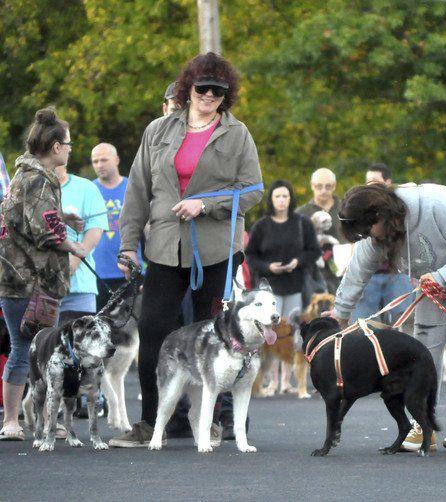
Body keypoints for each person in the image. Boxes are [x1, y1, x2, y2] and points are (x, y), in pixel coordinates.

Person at [110, 52, 263, 447]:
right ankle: (151, 422)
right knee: (155, 330)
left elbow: (252, 190)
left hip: (214, 250)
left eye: (219, 89)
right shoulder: (158, 129)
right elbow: (138, 192)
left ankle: (208, 421)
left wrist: (207, 203)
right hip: (162, 246)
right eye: (203, 87)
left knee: (214, 334)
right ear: (188, 88)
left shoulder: (238, 133)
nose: (210, 94)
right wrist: (128, 245)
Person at [330, 183, 446, 452]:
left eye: (368, 230)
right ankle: (424, 423)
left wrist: (442, 277)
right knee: (423, 348)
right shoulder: (377, 235)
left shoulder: (437, 204)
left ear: (381, 215)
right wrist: (340, 315)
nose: (369, 237)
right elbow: (357, 272)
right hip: (435, 281)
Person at [0, 108, 87, 441]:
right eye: (67, 143)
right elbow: (44, 232)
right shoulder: (40, 180)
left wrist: (62, 216)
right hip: (31, 283)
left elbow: (28, 218)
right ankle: (16, 420)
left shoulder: (27, 175)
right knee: (33, 350)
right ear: (54, 147)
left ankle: (20, 419)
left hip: (16, 280)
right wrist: (74, 246)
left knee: (27, 350)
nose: (69, 149)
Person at [246, 180, 320, 387]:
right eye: (277, 196)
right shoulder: (261, 225)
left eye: (285, 196)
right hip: (270, 289)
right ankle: (270, 381)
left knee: (293, 333)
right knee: (270, 331)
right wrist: (269, 267)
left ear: (290, 198)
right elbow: (250, 256)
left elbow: (313, 251)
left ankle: (287, 381)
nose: (281, 200)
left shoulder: (302, 223)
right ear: (271, 199)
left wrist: (298, 262)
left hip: (296, 286)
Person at [349, 164, 414, 325]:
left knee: (404, 321)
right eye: (368, 182)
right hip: (370, 275)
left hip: (397, 272)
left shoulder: (401, 205)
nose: (370, 186)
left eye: (375, 181)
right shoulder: (361, 207)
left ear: (388, 182)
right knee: (361, 323)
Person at [56, 163, 109, 322]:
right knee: (41, 345)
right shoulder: (31, 189)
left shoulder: (86, 188)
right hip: (39, 290)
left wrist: (76, 259)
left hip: (79, 287)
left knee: (81, 344)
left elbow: (96, 227)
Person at [91, 143, 131, 310]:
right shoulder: (89, 190)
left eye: (104, 160)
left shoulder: (131, 187)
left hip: (129, 272)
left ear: (116, 160)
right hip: (97, 274)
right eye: (95, 161)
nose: (99, 165)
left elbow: (147, 227)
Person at [296, 167, 345, 296]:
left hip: (343, 273)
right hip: (312, 274)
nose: (323, 191)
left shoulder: (345, 209)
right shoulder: (301, 214)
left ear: (334, 186)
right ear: (312, 186)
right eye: (319, 186)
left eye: (328, 187)